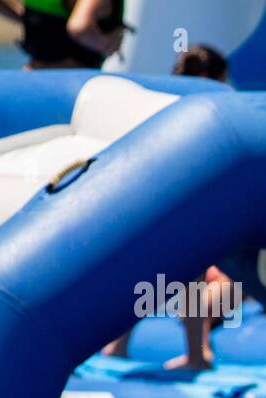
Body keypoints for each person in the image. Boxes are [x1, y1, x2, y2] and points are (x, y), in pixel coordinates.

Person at [101, 44, 237, 369]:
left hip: (145, 194)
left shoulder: (159, 102)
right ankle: (196, 352)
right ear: (210, 77)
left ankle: (119, 343)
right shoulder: (211, 107)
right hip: (184, 195)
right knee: (193, 272)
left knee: (147, 270)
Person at [16, 0, 123, 70]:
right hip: (70, 82)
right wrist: (107, 45)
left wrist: (23, 16)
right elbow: (79, 28)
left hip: (32, 73)